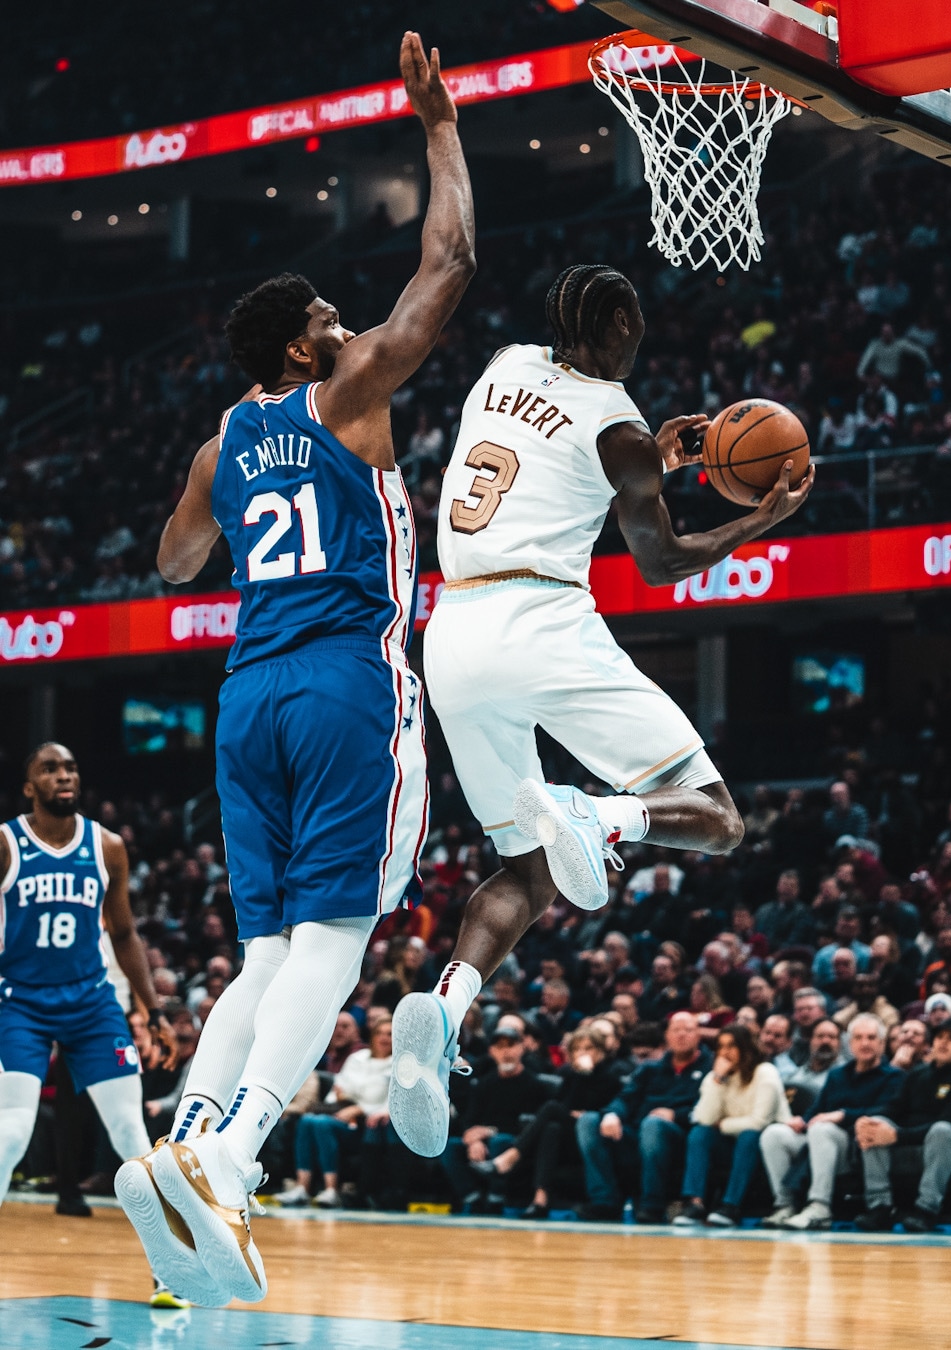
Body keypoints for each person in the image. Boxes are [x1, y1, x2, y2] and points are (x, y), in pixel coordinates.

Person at [117, 33, 475, 1308]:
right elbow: (451, 264)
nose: (347, 321)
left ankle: (188, 1136)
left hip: (246, 699)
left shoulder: (227, 435)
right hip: (341, 682)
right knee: (339, 934)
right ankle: (234, 1154)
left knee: (263, 958)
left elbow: (169, 562)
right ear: (301, 347)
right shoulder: (350, 387)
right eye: (328, 315)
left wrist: (227, 492)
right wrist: (437, 124)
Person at [390, 263, 813, 1160]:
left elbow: (560, 461)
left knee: (529, 868)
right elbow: (659, 563)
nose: (644, 329)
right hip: (542, 620)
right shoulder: (614, 421)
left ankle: (446, 1006)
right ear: (616, 320)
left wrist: (660, 458)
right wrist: (756, 520)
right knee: (718, 818)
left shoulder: (504, 366)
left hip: (454, 632)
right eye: (636, 317)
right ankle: (604, 810)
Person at [0, 744, 181, 1307]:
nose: (64, 776)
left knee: (131, 1136)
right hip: (21, 1004)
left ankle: (170, 1272)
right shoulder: (5, 843)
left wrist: (153, 1011)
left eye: (71, 767)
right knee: (8, 1135)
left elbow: (124, 934)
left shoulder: (107, 845)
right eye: (50, 769)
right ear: (29, 786)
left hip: (92, 1005)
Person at [759, 1013, 902, 1230]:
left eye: (872, 1038)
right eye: (859, 1037)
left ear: (882, 1044)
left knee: (823, 1129)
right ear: (850, 1043)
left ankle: (819, 1207)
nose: (865, 1043)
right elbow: (817, 1110)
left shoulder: (893, 1076)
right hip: (822, 1143)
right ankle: (785, 1205)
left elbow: (887, 1111)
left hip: (857, 1147)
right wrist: (801, 1121)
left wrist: (843, 1115)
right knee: (775, 1134)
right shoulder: (837, 1075)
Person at [469, 1025, 623, 1218]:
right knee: (551, 1128)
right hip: (567, 1137)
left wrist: (586, 1078)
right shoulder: (569, 1074)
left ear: (600, 1051)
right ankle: (540, 1199)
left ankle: (511, 1156)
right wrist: (580, 1077)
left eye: (589, 1048)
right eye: (577, 1049)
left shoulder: (610, 1076)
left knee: (551, 1109)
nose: (583, 1053)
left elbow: (601, 1108)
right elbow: (566, 1106)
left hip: (595, 1138)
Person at [575, 1011, 713, 1223]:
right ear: (667, 1036)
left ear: (698, 1035)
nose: (682, 1035)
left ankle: (652, 1204)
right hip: (637, 1134)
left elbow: (711, 1109)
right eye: (676, 1030)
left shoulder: (710, 1068)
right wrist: (612, 1115)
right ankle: (605, 1202)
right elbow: (625, 1098)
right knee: (588, 1122)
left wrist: (676, 1115)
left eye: (688, 1030)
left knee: (653, 1124)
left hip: (682, 1137)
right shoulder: (650, 1068)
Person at [854, 1017, 951, 1233]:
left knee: (941, 1130)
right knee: (876, 1125)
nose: (943, 1043)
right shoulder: (918, 1074)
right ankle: (880, 1207)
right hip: (909, 1144)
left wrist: (897, 1136)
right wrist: (866, 1120)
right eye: (939, 1037)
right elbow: (893, 1108)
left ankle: (927, 1210)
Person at [277, 1013, 400, 1210]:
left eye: (390, 1034)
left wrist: (359, 1108)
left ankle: (331, 1189)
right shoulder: (356, 1058)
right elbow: (337, 1092)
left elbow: (393, 1102)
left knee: (320, 1123)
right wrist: (346, 1102)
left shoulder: (398, 1065)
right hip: (342, 1117)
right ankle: (303, 1187)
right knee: (308, 1120)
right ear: (372, 1035)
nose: (384, 1038)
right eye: (380, 1033)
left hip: (370, 1126)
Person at [672, 1023, 789, 1227]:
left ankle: (731, 1206)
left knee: (749, 1135)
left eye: (731, 1046)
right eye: (721, 1046)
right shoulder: (714, 1078)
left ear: (745, 1048)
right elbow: (704, 1119)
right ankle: (695, 1203)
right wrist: (718, 1080)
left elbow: (759, 1121)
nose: (725, 1052)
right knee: (700, 1133)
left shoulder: (765, 1072)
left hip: (766, 1147)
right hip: (729, 1146)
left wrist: (723, 1125)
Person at [441, 1021, 552, 1211]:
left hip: (516, 1145)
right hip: (484, 1140)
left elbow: (530, 1125)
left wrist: (489, 1132)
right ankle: (472, 1198)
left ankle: (496, 1198)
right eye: (499, 1047)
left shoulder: (535, 1084)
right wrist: (473, 1140)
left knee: (499, 1141)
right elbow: (469, 1119)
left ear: (521, 1049)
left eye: (510, 1045)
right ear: (491, 1051)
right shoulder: (483, 1084)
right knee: (450, 1146)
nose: (505, 1052)